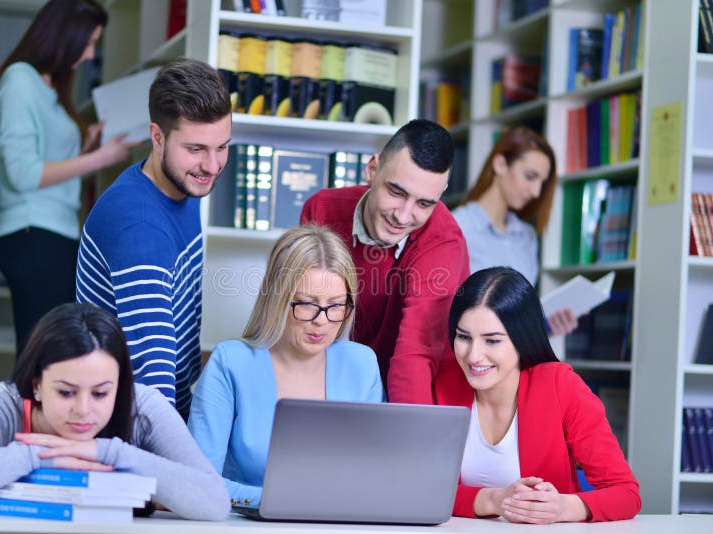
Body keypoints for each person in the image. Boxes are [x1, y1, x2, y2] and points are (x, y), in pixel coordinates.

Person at [0, 303, 229, 520]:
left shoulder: (143, 404)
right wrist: (37, 455)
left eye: (101, 393)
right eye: (66, 392)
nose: (83, 410)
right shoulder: (0, 405)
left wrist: (108, 453)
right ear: (36, 384)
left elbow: (214, 502)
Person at [75, 58, 232, 420]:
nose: (211, 166)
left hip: (162, 406)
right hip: (126, 420)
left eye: (221, 147)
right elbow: (153, 378)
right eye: (195, 149)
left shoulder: (179, 184)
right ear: (157, 137)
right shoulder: (140, 230)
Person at [0, 0, 138, 353]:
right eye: (88, 42)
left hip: (56, 234)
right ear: (65, 36)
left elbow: (48, 164)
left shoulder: (50, 88)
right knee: (42, 355)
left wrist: (87, 146)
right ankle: (25, 410)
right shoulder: (19, 82)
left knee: (56, 352)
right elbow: (23, 174)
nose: (89, 53)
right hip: (32, 234)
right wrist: (98, 159)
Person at [188, 225, 383, 507]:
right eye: (306, 303)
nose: (322, 320)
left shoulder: (361, 364)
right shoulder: (230, 363)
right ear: (277, 298)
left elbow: (373, 475)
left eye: (336, 305)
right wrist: (284, 500)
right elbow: (200, 481)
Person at [433, 267, 640, 523]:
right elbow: (423, 491)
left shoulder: (560, 385)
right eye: (464, 337)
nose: (473, 356)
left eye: (492, 340)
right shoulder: (441, 383)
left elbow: (626, 494)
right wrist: (495, 499)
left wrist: (563, 507)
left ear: (522, 339)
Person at [301, 119, 470, 404]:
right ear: (372, 169)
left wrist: (407, 438)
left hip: (417, 392)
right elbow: (303, 317)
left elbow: (416, 351)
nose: (403, 217)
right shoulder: (321, 209)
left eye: (424, 204)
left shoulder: (444, 242)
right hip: (336, 382)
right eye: (396, 192)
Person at [452, 126, 577, 335]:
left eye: (542, 183)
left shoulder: (527, 237)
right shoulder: (457, 228)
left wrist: (547, 328)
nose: (536, 192)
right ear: (500, 164)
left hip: (514, 362)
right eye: (530, 176)